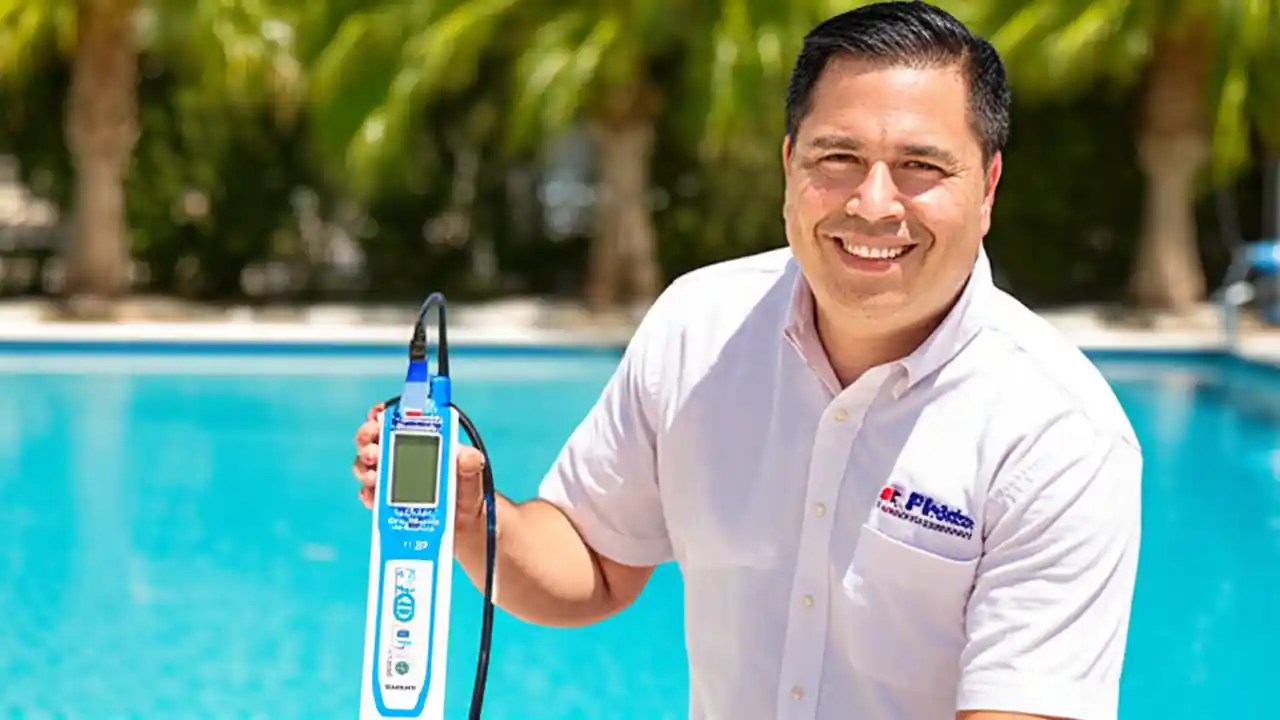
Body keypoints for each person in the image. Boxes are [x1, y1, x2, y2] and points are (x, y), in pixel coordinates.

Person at [352, 2, 1143, 718]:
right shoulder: (699, 327)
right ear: (789, 167)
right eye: (837, 158)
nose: (873, 202)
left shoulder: (1059, 435)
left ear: (989, 185)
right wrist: (467, 516)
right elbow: (591, 565)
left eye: (921, 167)